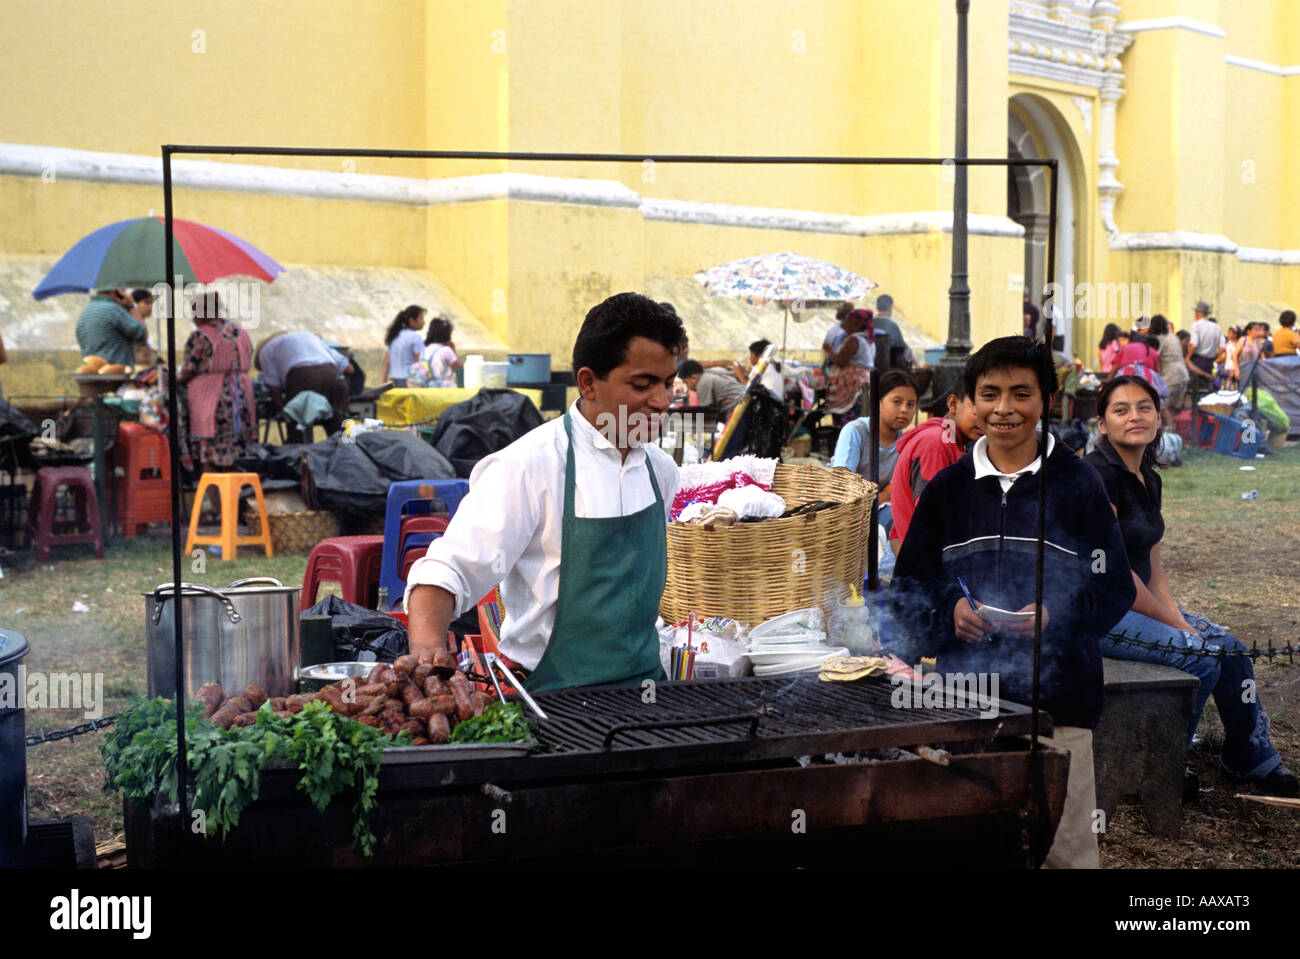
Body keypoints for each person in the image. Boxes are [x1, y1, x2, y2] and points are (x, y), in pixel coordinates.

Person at [889, 336, 1136, 869]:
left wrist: (1057, 615)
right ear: (969, 402)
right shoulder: (949, 490)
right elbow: (911, 583)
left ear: (1047, 398)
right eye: (990, 393)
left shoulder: (1078, 484)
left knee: (1065, 852)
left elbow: (1113, 585)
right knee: (979, 844)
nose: (1005, 408)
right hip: (967, 704)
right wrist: (949, 611)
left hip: (1060, 707)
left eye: (1021, 393)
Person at [405, 292, 684, 691]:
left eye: (669, 383)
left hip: (646, 693)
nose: (662, 402)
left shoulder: (662, 472)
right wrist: (427, 646)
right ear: (588, 383)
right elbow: (450, 568)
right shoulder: (528, 467)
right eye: (643, 385)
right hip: (551, 699)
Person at [1084, 375, 1297, 797]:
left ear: (1158, 416)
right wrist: (1177, 628)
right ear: (1102, 424)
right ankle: (1158, 770)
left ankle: (1248, 756)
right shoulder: (1096, 476)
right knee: (1200, 655)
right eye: (1121, 409)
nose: (1135, 416)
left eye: (1144, 407)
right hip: (1099, 612)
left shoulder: (1149, 475)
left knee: (1230, 648)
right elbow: (1117, 573)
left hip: (1137, 607)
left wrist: (1178, 618)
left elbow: (1153, 566)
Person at [888, 375, 982, 552]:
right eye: (975, 408)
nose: (982, 418)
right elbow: (930, 515)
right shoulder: (936, 442)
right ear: (953, 404)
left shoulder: (951, 440)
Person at [177, 291, 256, 472]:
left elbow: (189, 369)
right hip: (242, 395)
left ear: (204, 313)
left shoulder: (201, 336)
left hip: (212, 400)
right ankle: (238, 497)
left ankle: (217, 499)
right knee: (238, 451)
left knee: (209, 453)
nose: (194, 318)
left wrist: (175, 381)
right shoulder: (241, 332)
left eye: (195, 313)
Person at [830, 369, 917, 506]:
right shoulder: (856, 431)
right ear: (877, 402)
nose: (904, 409)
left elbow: (891, 491)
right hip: (846, 506)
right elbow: (843, 480)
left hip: (878, 506)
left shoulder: (906, 443)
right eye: (896, 402)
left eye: (910, 404)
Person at [255, 331, 352, 442]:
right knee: (343, 431)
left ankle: (301, 456)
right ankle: (352, 454)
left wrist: (287, 414)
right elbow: (349, 369)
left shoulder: (265, 351)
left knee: (297, 436)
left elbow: (274, 392)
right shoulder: (309, 337)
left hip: (302, 379)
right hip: (335, 377)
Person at [75, 289, 147, 367]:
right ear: (118, 292)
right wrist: (131, 306)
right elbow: (143, 335)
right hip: (113, 375)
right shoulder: (114, 310)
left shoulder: (86, 312)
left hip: (91, 373)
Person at [826, 308, 875, 423]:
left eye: (848, 322)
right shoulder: (864, 339)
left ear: (857, 324)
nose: (845, 325)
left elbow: (840, 361)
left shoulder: (854, 340)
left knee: (848, 421)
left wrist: (829, 349)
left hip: (852, 385)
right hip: (861, 383)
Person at [678, 359, 746, 420]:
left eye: (686, 382)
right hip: (742, 404)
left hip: (738, 408)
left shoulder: (703, 382)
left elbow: (705, 410)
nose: (687, 386)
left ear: (694, 378)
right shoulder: (709, 376)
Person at [1150, 315, 1187, 423]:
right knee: (1172, 409)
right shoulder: (1173, 336)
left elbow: (1155, 356)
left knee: (1161, 406)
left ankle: (1170, 433)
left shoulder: (1160, 338)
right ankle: (1174, 433)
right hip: (1183, 375)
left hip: (1170, 376)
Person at [407, 316, 461, 388]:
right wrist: (453, 350)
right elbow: (458, 366)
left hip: (430, 391)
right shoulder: (446, 350)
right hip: (447, 391)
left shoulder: (424, 351)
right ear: (447, 335)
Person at [381, 305, 426, 388]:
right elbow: (422, 362)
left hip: (393, 380)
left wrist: (383, 383)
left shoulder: (394, 336)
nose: (424, 322)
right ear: (412, 320)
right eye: (421, 319)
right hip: (410, 381)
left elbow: (386, 362)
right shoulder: (415, 337)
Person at [872, 294, 914, 367]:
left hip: (870, 365)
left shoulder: (869, 323)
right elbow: (905, 349)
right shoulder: (893, 326)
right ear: (890, 307)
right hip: (888, 367)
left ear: (877, 307)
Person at [1187, 301, 1222, 377]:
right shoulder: (1215, 326)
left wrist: (1187, 358)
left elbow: (1194, 345)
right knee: (1208, 385)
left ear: (1197, 313)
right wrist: (1215, 356)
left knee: (1195, 386)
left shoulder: (1196, 325)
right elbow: (1222, 347)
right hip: (1210, 362)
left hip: (1197, 360)